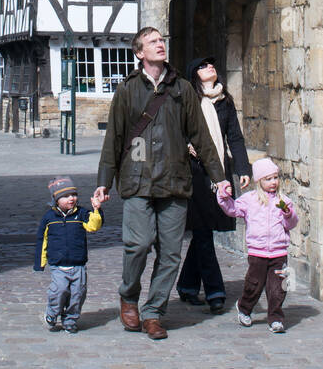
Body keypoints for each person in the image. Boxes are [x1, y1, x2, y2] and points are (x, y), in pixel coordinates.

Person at [96, 27, 229, 341]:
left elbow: (202, 138)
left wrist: (219, 178)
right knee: (138, 244)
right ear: (139, 52)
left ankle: (153, 312)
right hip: (137, 180)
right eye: (153, 41)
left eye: (162, 41)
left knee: (170, 254)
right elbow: (113, 139)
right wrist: (104, 182)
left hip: (174, 181)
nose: (160, 45)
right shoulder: (128, 90)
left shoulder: (182, 89)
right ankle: (129, 296)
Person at [177, 57, 250, 313]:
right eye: (203, 65)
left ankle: (187, 285)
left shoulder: (224, 101)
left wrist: (243, 168)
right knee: (203, 231)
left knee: (202, 233)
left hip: (218, 172)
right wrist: (188, 145)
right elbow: (177, 131)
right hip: (194, 172)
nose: (210, 67)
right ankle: (215, 291)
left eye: (211, 64)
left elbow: (235, 137)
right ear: (195, 74)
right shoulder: (189, 101)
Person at [216, 158, 297, 333]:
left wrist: (289, 215)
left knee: (278, 288)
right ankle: (244, 308)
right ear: (259, 181)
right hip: (257, 251)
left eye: (275, 178)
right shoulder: (249, 200)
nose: (273, 182)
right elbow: (232, 209)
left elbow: (291, 224)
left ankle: (275, 318)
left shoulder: (283, 201)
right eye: (268, 179)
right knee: (254, 284)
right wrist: (223, 196)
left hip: (278, 252)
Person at [33, 176, 106, 334]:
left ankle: (71, 319)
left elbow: (94, 226)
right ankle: (52, 313)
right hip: (58, 265)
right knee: (59, 291)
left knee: (77, 294)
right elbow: (42, 240)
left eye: (73, 195)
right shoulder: (49, 218)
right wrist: (40, 262)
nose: (71, 199)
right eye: (65, 196)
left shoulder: (81, 214)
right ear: (55, 199)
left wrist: (96, 209)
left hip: (78, 264)